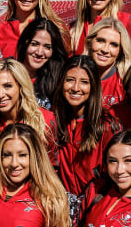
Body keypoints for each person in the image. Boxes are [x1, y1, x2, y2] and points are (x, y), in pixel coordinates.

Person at [0, 59, 56, 175]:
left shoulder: (45, 120)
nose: (0, 95)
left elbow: (52, 166)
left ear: (21, 87)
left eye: (7, 86)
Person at [51, 55, 120, 195]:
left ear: (93, 86)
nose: (76, 88)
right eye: (70, 80)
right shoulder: (54, 121)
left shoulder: (106, 126)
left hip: (95, 204)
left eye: (84, 82)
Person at [17, 17, 70, 108]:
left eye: (47, 47)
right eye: (34, 44)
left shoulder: (59, 80)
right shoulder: (9, 75)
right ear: (25, 43)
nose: (39, 52)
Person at [85, 18, 131, 109]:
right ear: (89, 42)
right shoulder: (74, 74)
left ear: (121, 51)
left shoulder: (125, 83)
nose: (105, 50)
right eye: (100, 40)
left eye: (114, 45)